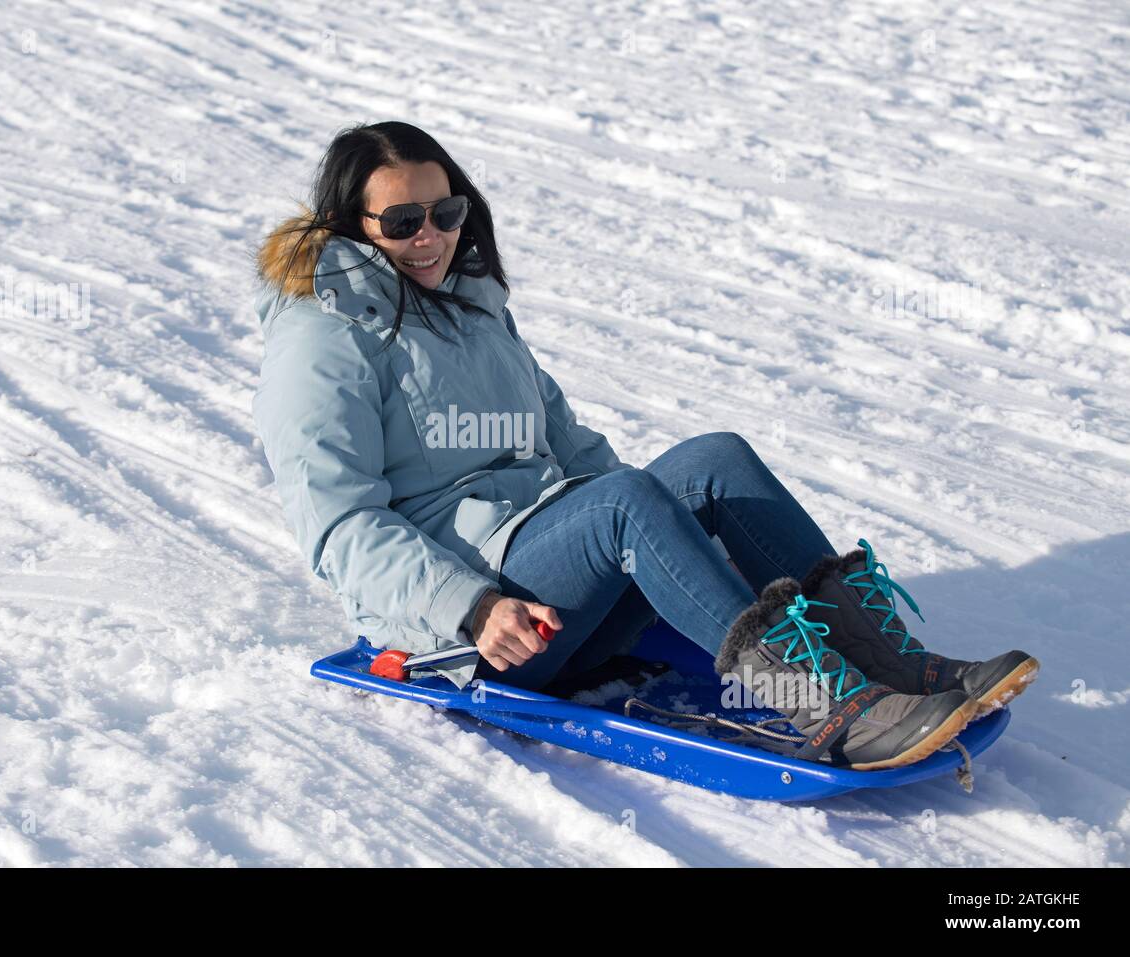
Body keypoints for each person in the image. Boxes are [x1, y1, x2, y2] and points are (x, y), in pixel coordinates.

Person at [252, 121, 1038, 769]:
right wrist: (471, 606)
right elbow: (339, 525)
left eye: (445, 214)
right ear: (349, 226)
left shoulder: (470, 304)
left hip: (557, 572)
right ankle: (828, 710)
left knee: (714, 461)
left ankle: (892, 668)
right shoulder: (321, 340)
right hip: (481, 623)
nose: (431, 237)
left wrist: (678, 548)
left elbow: (571, 447)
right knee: (625, 504)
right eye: (402, 222)